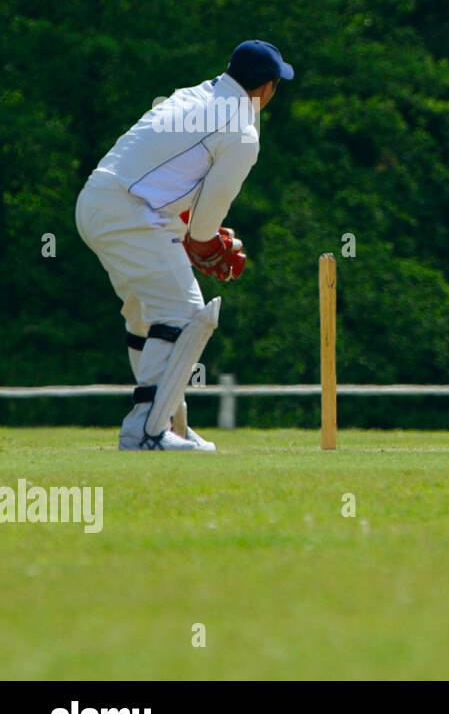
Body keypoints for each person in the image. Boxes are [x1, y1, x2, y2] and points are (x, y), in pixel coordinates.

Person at [75, 40, 293, 450]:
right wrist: (205, 242)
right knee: (186, 315)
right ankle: (145, 430)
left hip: (98, 201)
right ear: (266, 89)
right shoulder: (243, 131)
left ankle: (170, 427)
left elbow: (167, 180)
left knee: (147, 317)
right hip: (132, 213)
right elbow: (207, 221)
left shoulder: (192, 94)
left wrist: (194, 235)